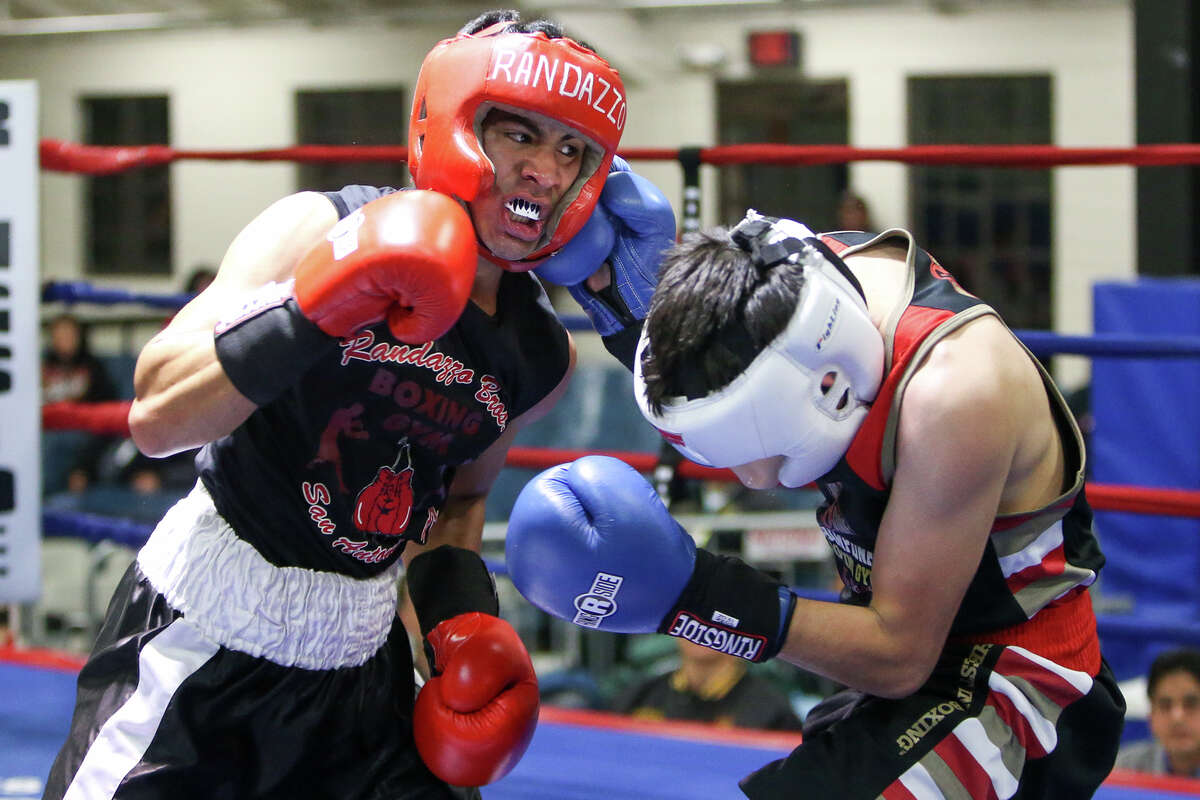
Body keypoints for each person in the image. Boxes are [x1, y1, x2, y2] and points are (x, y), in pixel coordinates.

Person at [43, 9, 674, 799]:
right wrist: (317, 308)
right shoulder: (317, 228)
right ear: (452, 125)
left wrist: (457, 621)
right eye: (521, 136)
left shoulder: (538, 355)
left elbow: (458, 502)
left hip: (359, 661)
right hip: (204, 634)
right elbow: (156, 415)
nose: (546, 172)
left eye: (571, 150)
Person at [505, 210, 1125, 798]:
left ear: (831, 386)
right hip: (888, 660)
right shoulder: (787, 286)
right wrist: (629, 311)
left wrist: (694, 598)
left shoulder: (954, 395)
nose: (750, 478)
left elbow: (900, 655)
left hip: (1016, 684)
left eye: (757, 444)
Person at [613, 637, 802, 732]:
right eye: (690, 615)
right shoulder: (640, 695)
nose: (700, 626)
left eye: (714, 617)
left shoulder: (771, 710)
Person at [41, 312, 120, 493]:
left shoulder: (94, 368)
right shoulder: (41, 366)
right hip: (48, 432)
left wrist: (83, 468)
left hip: (81, 434)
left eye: (69, 334)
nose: (64, 340)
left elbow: (107, 417)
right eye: (59, 334)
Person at [1116, 648, 1200, 778]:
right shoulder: (1123, 770)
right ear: (1151, 716)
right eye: (1165, 706)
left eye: (1191, 704)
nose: (1177, 717)